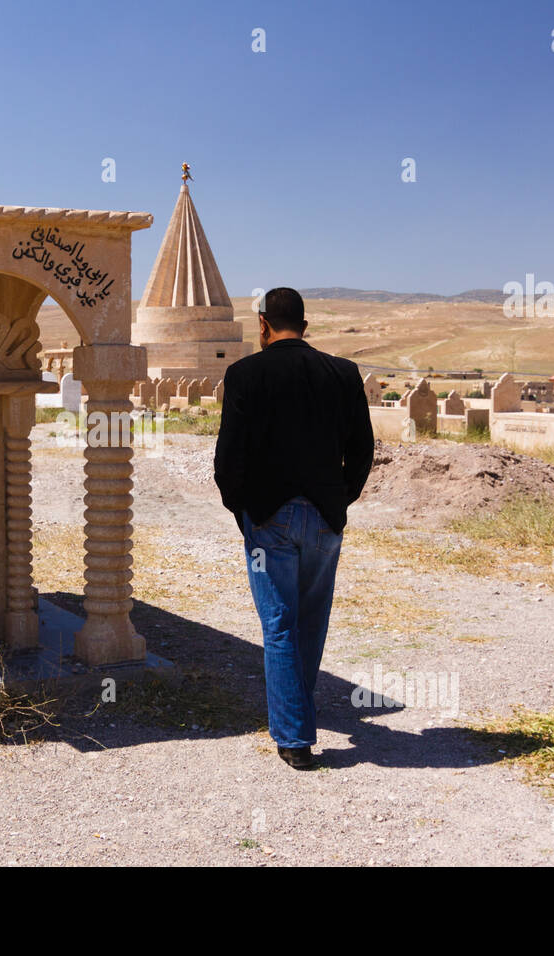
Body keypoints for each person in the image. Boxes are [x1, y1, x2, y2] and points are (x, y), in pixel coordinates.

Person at [214, 287, 374, 769]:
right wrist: (338, 499)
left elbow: (229, 457)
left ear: (262, 325)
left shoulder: (245, 374)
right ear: (305, 325)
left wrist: (242, 509)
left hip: (269, 518)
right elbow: (363, 450)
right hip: (324, 518)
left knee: (279, 623)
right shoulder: (343, 374)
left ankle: (294, 738)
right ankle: (298, 720)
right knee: (309, 621)